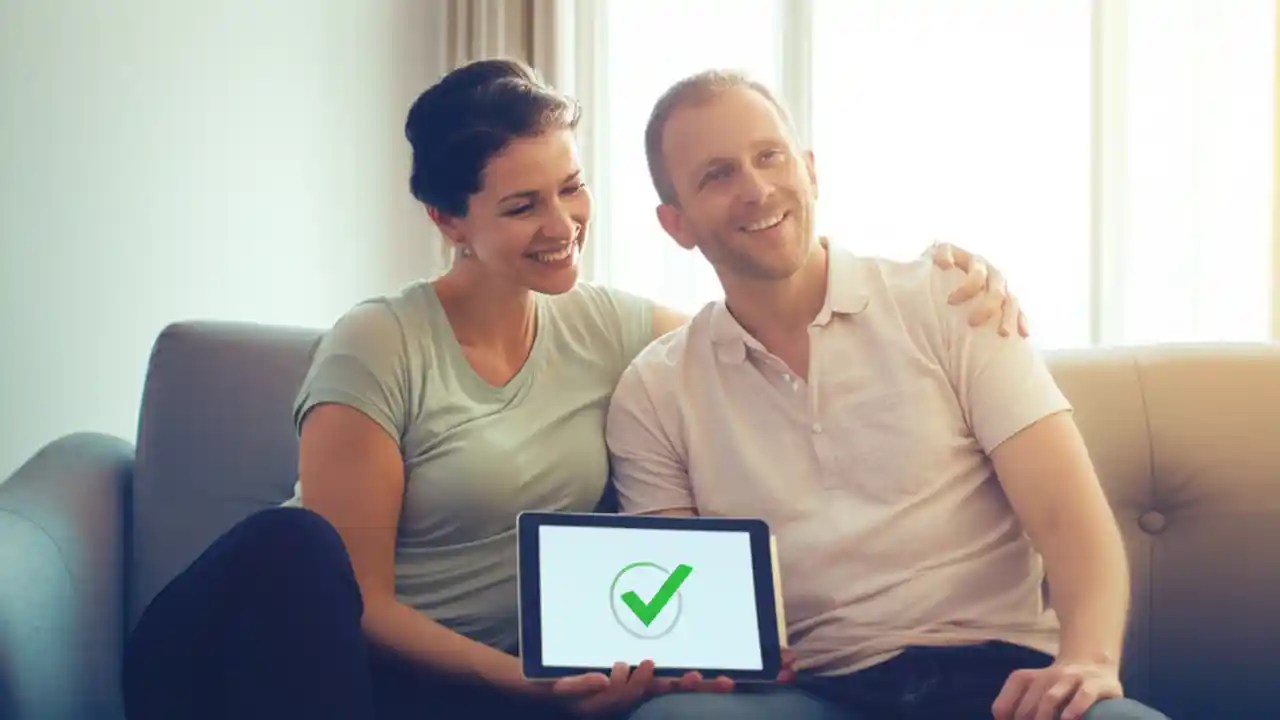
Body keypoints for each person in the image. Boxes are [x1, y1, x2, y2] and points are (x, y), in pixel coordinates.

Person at [120, 59, 1025, 720]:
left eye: (572, 188)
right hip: (311, 663)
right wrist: (520, 681)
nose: (563, 226)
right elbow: (361, 602)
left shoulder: (616, 329)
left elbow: (772, 329)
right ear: (448, 221)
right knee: (297, 542)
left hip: (515, 691)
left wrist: (950, 279)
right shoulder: (378, 344)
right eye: (522, 207)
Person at [606, 71, 1172, 720]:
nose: (756, 189)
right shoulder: (653, 390)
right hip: (808, 693)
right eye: (717, 175)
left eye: (770, 156)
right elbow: (686, 624)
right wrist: (705, 666)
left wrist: (1091, 659)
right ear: (675, 223)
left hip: (1000, 678)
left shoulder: (948, 300)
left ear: (810, 171)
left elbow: (1067, 516)